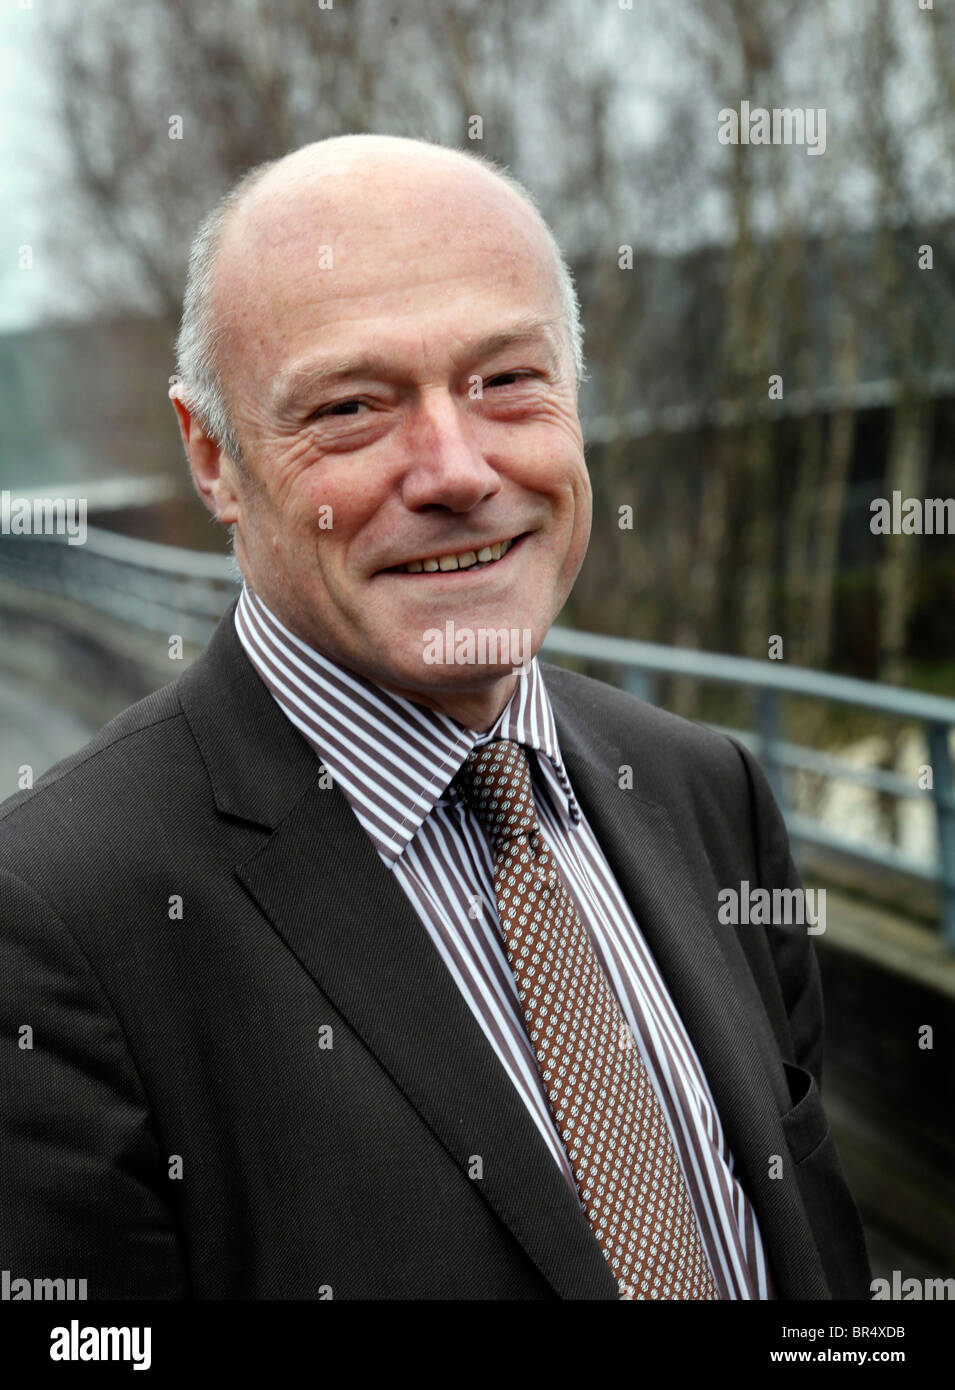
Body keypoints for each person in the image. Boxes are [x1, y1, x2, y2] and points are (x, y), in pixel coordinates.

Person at [0, 134, 870, 1300]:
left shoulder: (703, 787)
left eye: (507, 380)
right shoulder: (57, 923)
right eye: (353, 406)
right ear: (212, 455)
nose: (456, 468)